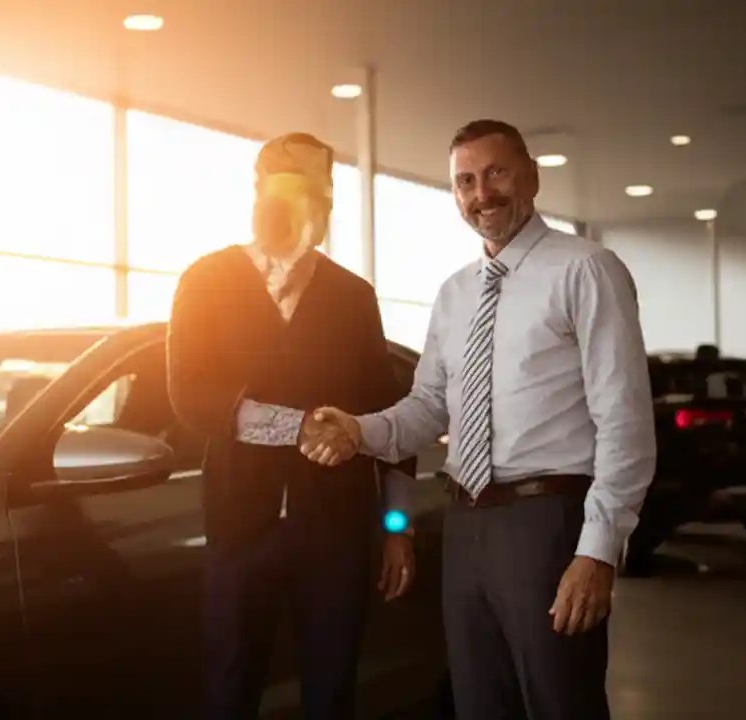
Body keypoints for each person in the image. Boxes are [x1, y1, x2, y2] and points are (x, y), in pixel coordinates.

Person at [301, 119, 657, 719]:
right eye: (465, 181)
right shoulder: (455, 293)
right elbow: (428, 408)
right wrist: (358, 429)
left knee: (559, 703)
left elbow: (624, 420)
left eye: (495, 173)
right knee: (478, 705)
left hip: (548, 523)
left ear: (532, 177)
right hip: (466, 526)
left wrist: (597, 550)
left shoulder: (586, 270)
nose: (481, 193)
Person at [166, 131, 419, 720]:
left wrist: (397, 525)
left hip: (336, 533)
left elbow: (388, 417)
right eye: (284, 190)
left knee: (332, 693)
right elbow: (190, 395)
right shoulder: (206, 281)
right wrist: (296, 427)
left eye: (316, 194)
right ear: (259, 195)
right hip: (238, 529)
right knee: (230, 688)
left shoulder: (353, 297)